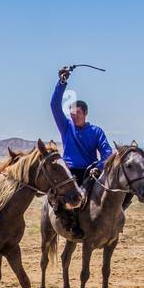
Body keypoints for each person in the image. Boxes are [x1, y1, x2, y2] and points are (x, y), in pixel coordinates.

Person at [50, 66, 113, 237]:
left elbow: (107, 152)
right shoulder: (66, 127)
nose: (74, 116)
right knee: (67, 197)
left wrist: (99, 166)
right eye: (72, 113)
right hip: (70, 171)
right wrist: (61, 82)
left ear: (85, 113)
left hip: (91, 171)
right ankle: (70, 224)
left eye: (77, 113)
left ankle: (113, 222)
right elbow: (54, 105)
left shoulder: (96, 131)